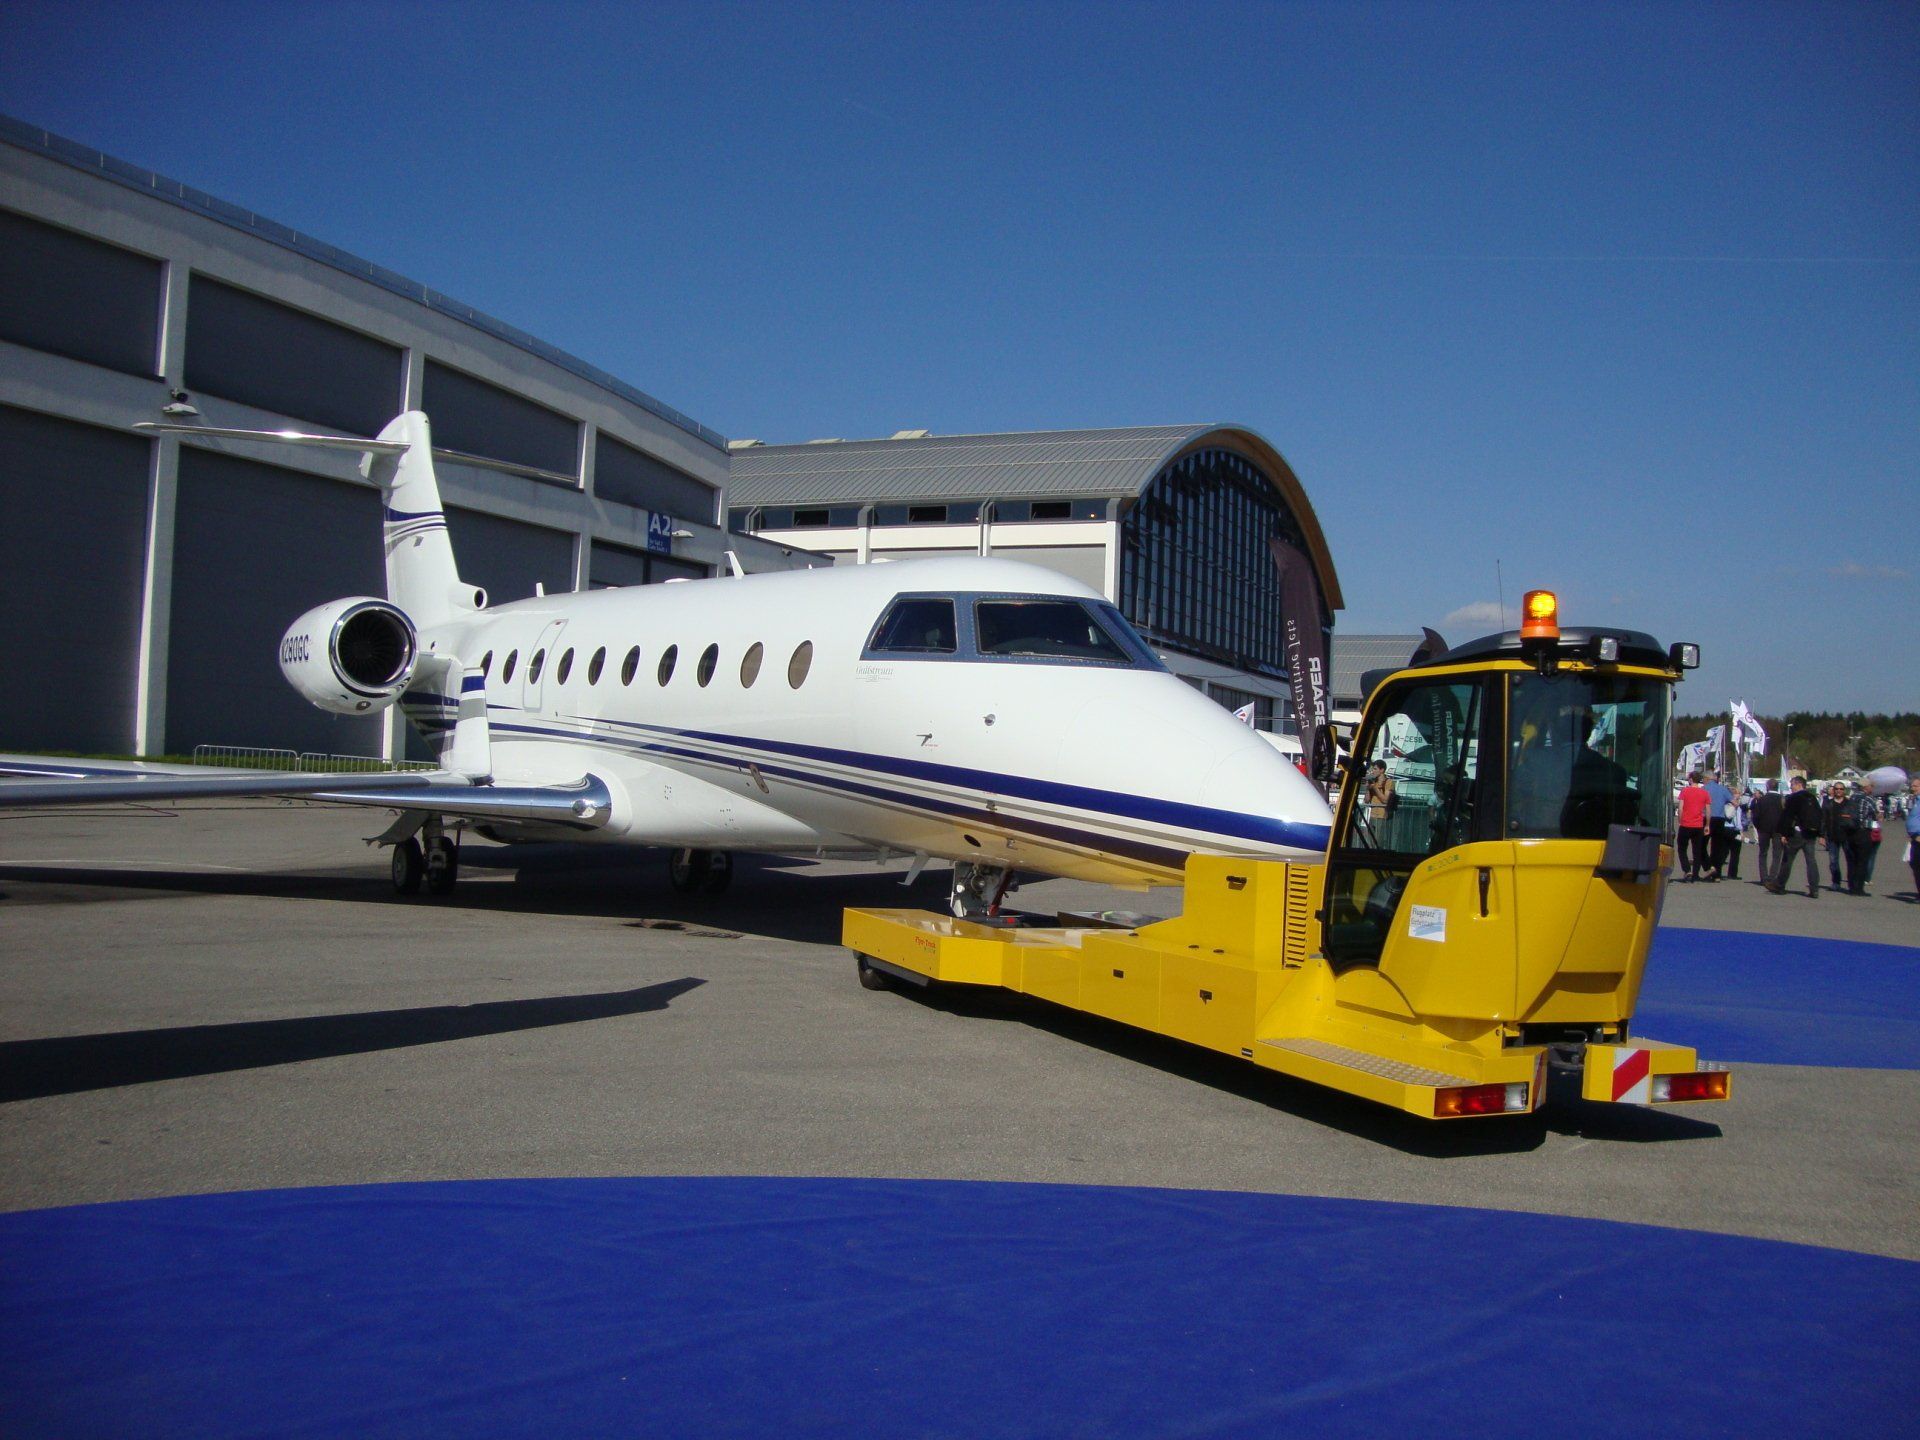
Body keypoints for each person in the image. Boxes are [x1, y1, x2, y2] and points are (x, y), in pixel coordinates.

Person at [1768, 774, 1822, 898]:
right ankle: (1814, 888)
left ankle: (1779, 885)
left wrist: (1783, 833)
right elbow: (1820, 815)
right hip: (1810, 833)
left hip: (1797, 833)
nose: (1791, 787)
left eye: (1792, 785)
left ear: (1799, 785)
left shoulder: (1794, 798)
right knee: (1811, 861)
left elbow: (1788, 816)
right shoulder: (1812, 798)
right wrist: (1820, 833)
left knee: (1788, 860)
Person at [1675, 769, 1711, 882]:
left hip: (1686, 823)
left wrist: (1680, 820)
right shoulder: (1704, 793)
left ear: (1690, 779)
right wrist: (1707, 825)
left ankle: (1687, 869)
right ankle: (1696, 874)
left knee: (1681, 848)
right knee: (1697, 850)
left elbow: (1680, 808)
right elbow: (1708, 811)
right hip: (1698, 825)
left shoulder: (1685, 791)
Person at [1845, 782, 1878, 896]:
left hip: (1850, 831)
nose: (1872, 788)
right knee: (1862, 860)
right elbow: (1876, 814)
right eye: (1871, 786)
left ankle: (1851, 886)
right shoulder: (1867, 799)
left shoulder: (1852, 798)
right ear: (1866, 787)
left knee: (1852, 860)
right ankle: (1859, 888)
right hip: (1863, 831)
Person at [1751, 780, 1785, 887]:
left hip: (1763, 829)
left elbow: (1755, 816)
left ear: (1767, 787)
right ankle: (1772, 877)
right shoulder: (1782, 800)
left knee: (1763, 853)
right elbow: (1786, 816)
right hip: (1778, 830)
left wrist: (1758, 827)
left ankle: (1764, 877)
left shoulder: (1761, 800)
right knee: (1777, 854)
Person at [1820, 782, 1853, 891]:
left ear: (1844, 790)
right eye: (1837, 789)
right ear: (1833, 790)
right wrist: (1821, 835)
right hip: (1832, 836)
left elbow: (1854, 819)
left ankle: (1851, 883)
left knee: (1850, 860)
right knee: (1833, 861)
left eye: (1841, 789)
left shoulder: (1849, 803)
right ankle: (1836, 882)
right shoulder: (1828, 804)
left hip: (1847, 836)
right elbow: (1823, 820)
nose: (1839, 791)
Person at [1703, 770, 1734, 880]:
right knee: (1717, 847)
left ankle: (1709, 867)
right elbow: (1734, 802)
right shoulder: (1723, 789)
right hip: (1720, 820)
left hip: (1706, 819)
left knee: (1702, 845)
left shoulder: (1704, 789)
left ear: (1706, 779)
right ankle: (1717, 874)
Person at [1724, 784, 1750, 881]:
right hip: (1730, 829)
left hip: (1732, 830)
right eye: (1737, 793)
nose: (1739, 795)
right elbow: (1733, 818)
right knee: (1729, 852)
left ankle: (1731, 873)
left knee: (1733, 852)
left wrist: (1741, 832)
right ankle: (1729, 873)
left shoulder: (1734, 805)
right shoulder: (1731, 805)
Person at [1907, 775, 1920, 899]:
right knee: (1914, 864)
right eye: (1912, 786)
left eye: (1915, 786)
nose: (1912, 788)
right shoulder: (1914, 800)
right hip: (1914, 838)